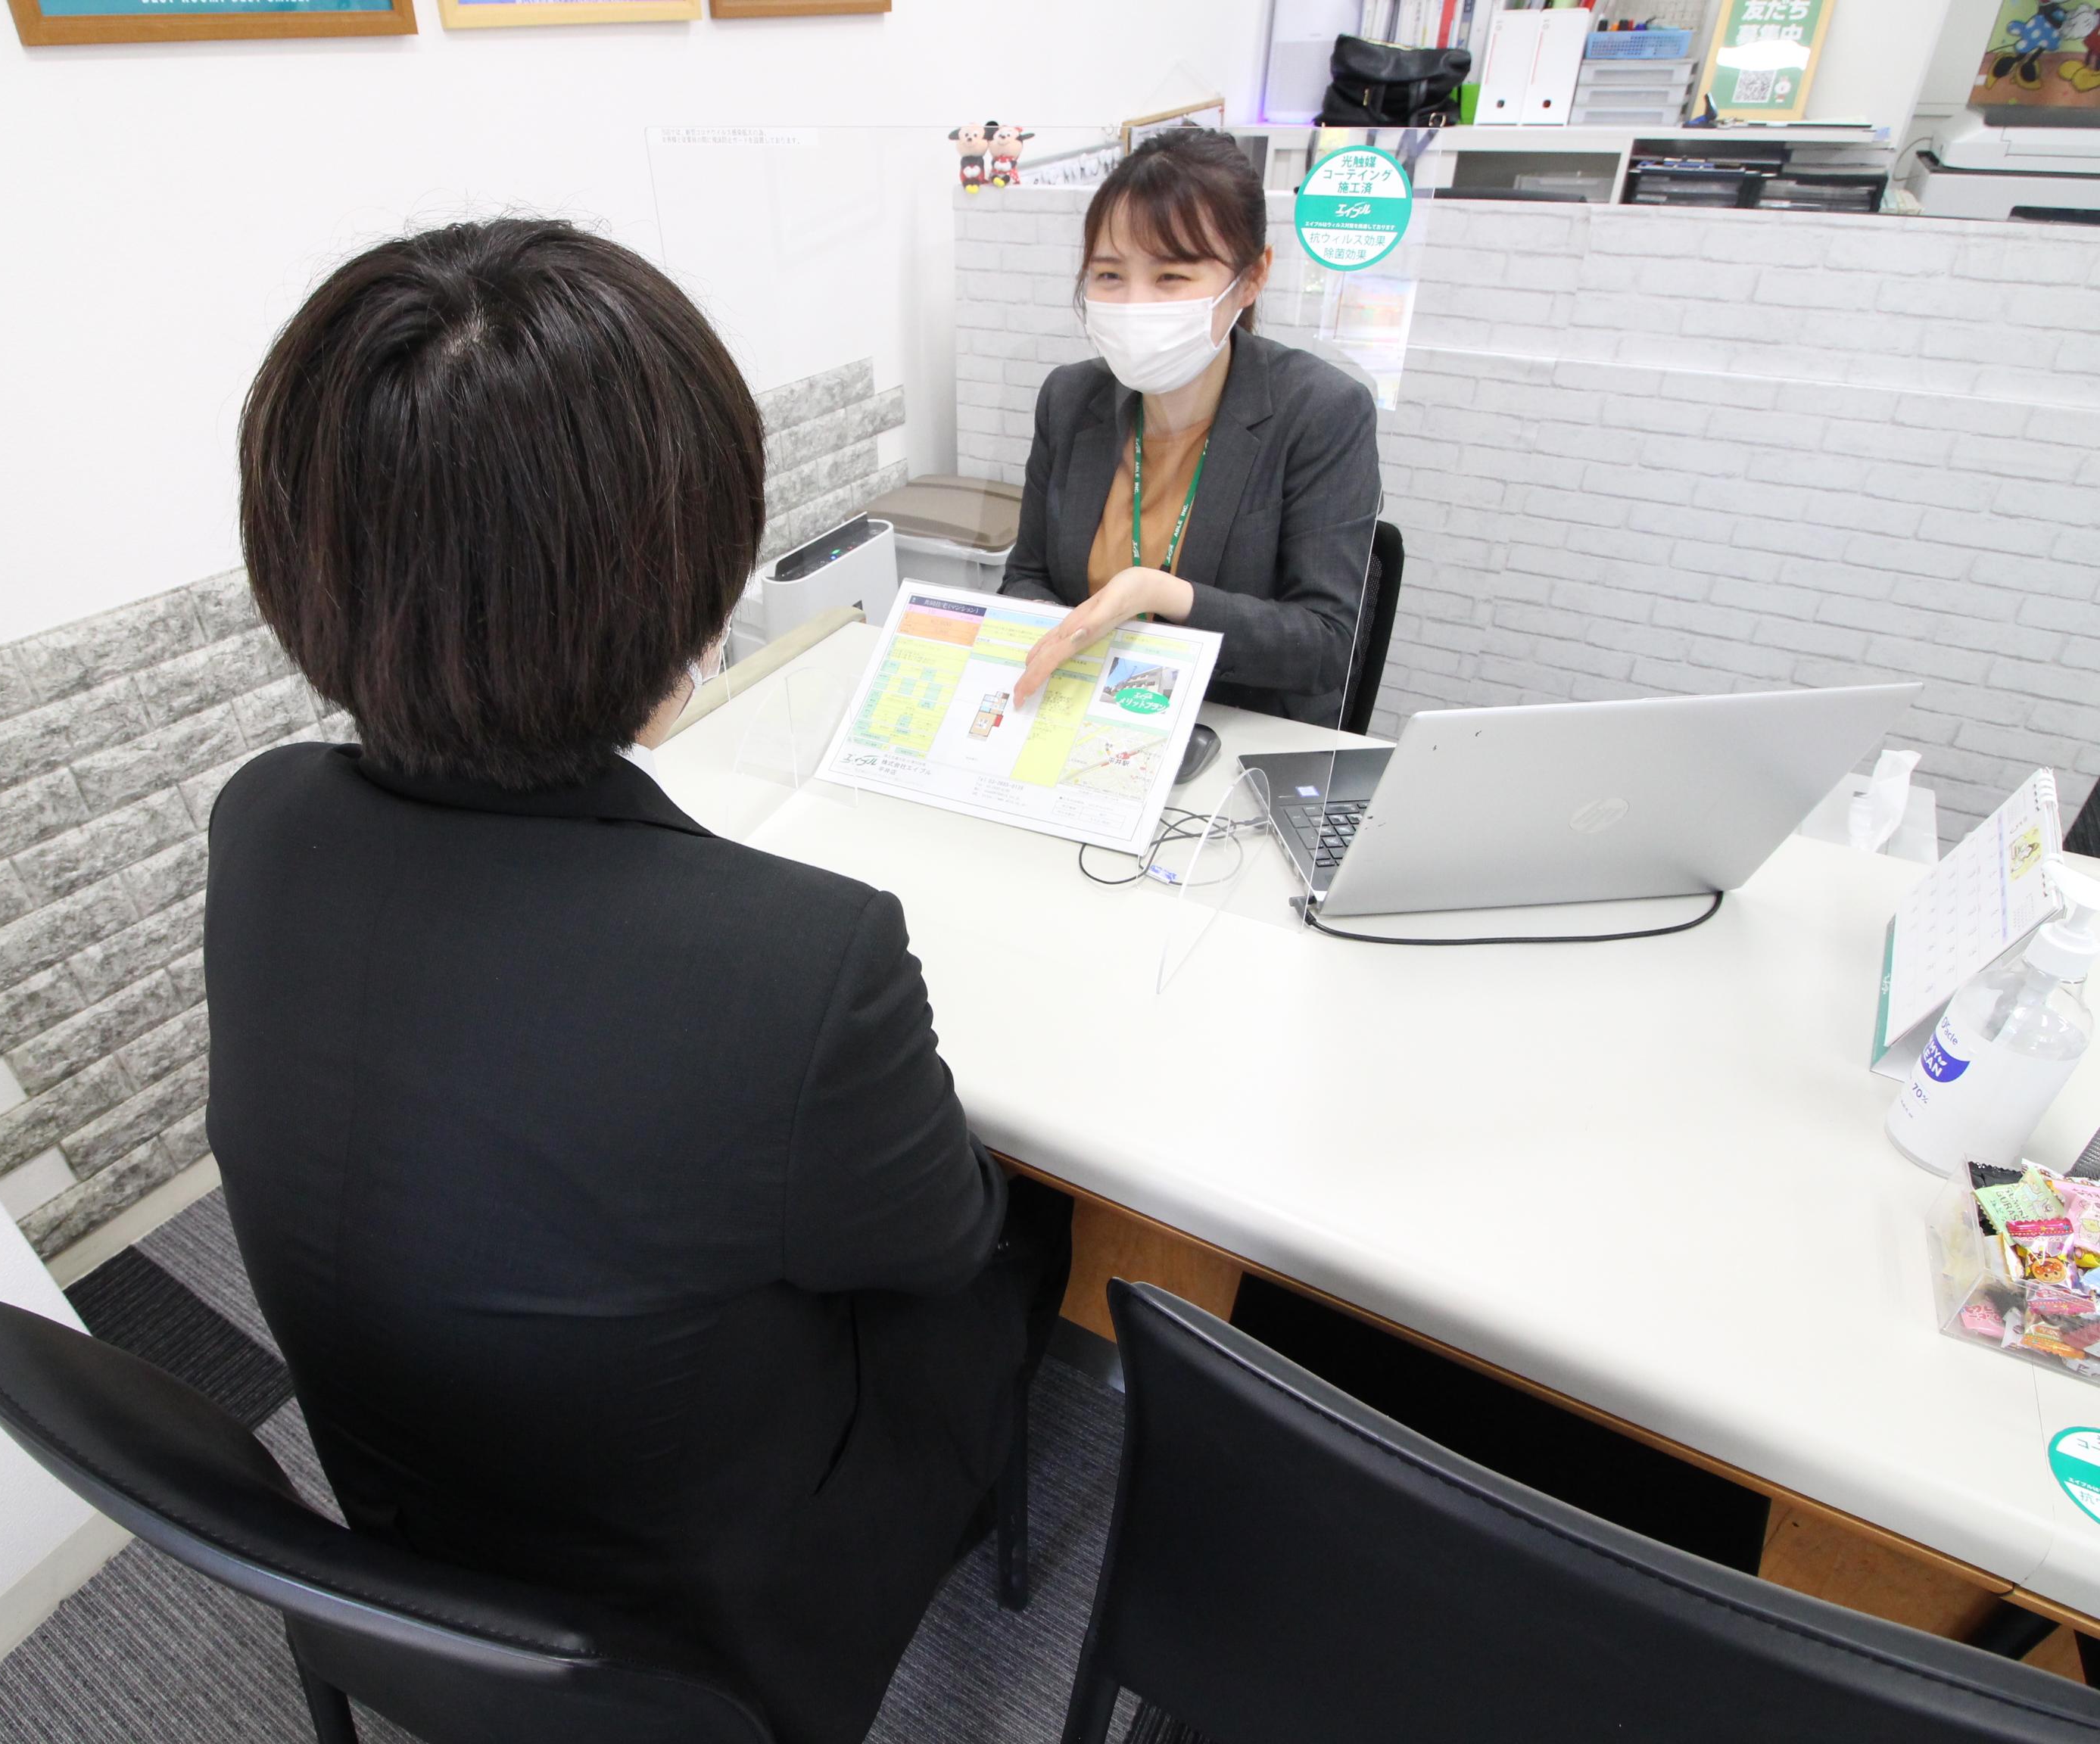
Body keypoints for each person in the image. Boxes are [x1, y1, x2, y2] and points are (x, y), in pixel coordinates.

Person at [205, 218, 1071, 1744]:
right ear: (685, 580)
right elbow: (939, 1245)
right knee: (1034, 1234)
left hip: (392, 1534)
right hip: (696, 1650)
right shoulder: (800, 963)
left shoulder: (263, 819)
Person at [1001, 129, 1382, 730]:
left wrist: (1162, 595)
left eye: (1172, 278)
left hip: (1228, 733)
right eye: (1108, 276)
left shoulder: (1321, 412)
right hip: (1089, 720)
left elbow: (1326, 645)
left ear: (1251, 278)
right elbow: (1026, 577)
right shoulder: (1070, 399)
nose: (1134, 305)